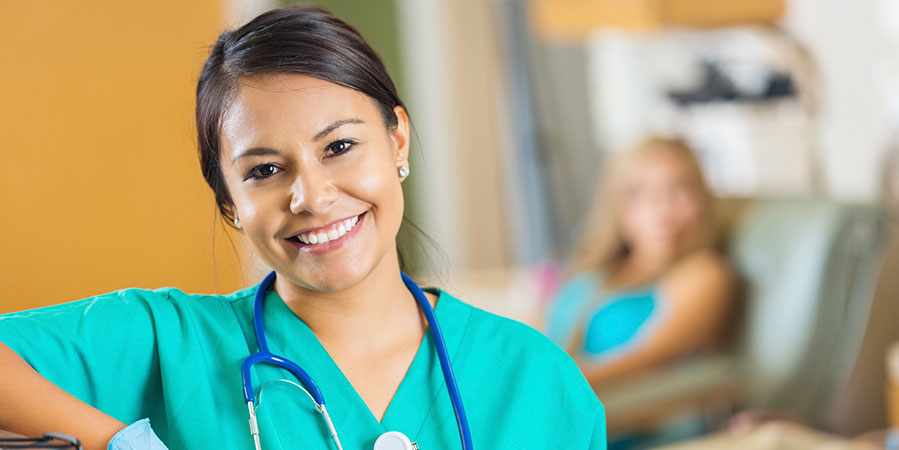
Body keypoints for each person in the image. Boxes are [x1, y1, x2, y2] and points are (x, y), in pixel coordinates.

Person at [0, 5, 605, 450]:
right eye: (264, 169)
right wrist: (116, 443)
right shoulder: (166, 342)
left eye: (339, 145)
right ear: (230, 202)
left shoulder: (537, 378)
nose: (311, 196)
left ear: (397, 138)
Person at [546, 137, 734, 388]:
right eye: (640, 193)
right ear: (616, 206)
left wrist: (547, 385)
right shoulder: (597, 272)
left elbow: (647, 361)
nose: (662, 210)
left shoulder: (703, 274)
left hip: (618, 415)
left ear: (702, 200)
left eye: (678, 190)